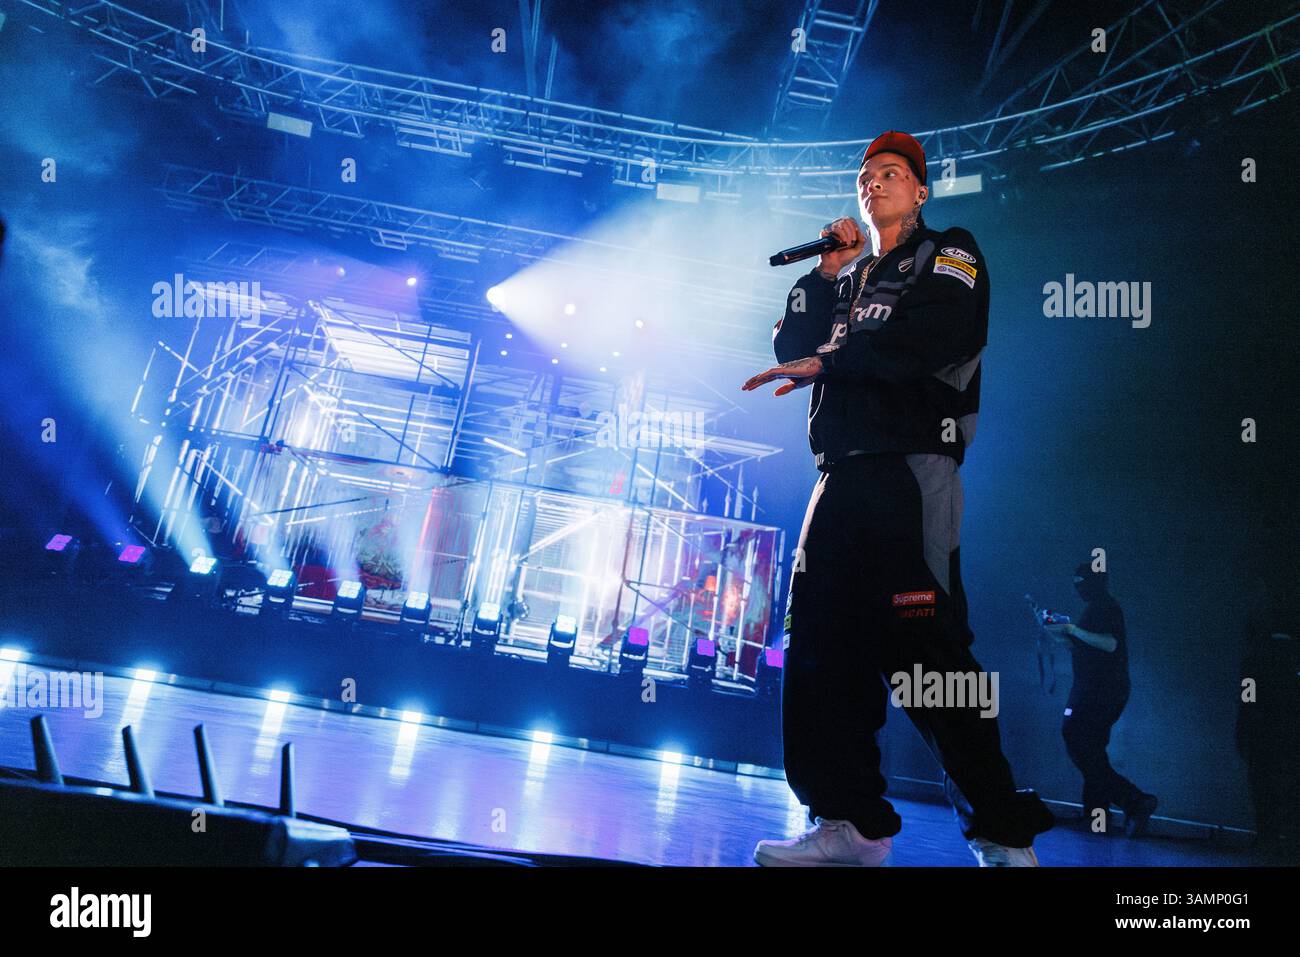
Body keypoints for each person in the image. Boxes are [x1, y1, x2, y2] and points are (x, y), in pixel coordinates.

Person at [743, 130, 1054, 866]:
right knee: (819, 649)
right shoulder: (846, 276)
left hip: (910, 474)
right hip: (839, 477)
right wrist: (824, 275)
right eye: (865, 176)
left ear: (919, 191)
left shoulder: (950, 251)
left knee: (930, 656)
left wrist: (836, 358)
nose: (874, 184)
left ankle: (1002, 834)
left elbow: (936, 335)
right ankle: (851, 822)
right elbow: (794, 342)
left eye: (891, 174)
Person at [1043, 563, 1157, 836]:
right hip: (1093, 689)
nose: (1078, 587)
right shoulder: (1094, 609)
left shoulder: (1107, 607)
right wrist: (1057, 630)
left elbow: (1110, 643)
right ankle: (1099, 818)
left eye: (1082, 582)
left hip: (1101, 690)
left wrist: (1071, 629)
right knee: (1091, 750)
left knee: (1078, 741)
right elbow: (1082, 644)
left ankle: (1134, 801)